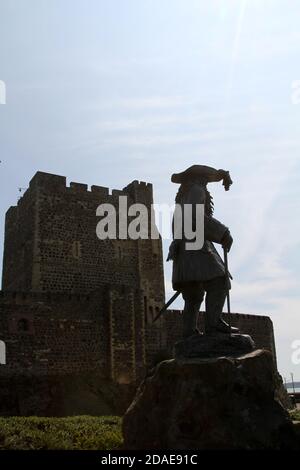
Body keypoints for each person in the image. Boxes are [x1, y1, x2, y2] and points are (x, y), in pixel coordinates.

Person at [167, 165, 239, 337]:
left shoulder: (182, 198)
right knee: (220, 281)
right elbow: (195, 217)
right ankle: (213, 325)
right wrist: (222, 232)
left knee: (193, 293)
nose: (207, 182)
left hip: (184, 251)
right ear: (200, 178)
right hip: (196, 248)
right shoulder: (197, 190)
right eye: (206, 178)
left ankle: (189, 332)